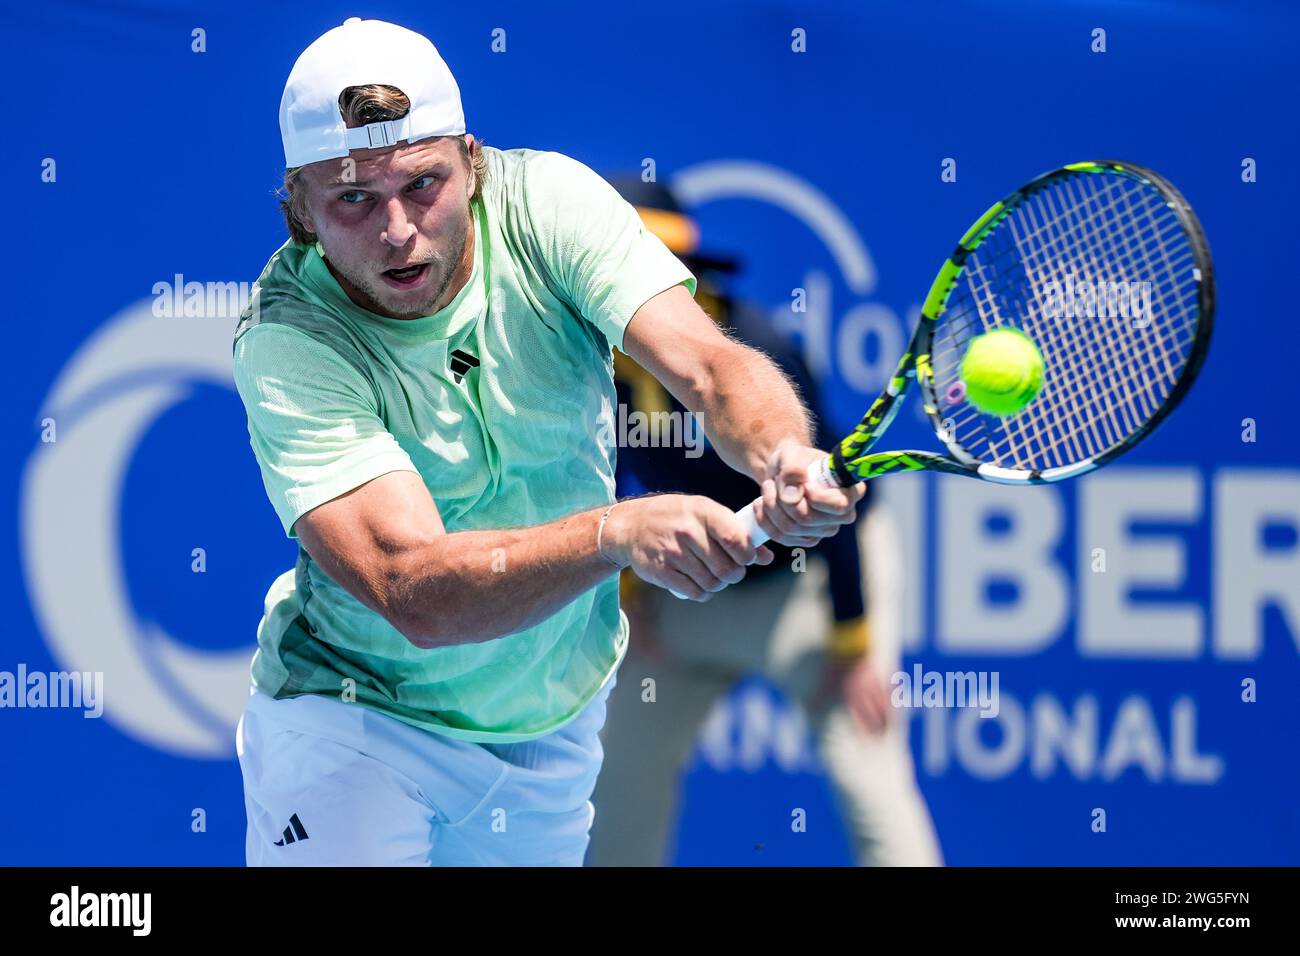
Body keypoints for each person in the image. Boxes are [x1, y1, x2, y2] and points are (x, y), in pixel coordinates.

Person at [232, 17, 862, 866]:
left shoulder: (549, 206)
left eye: (424, 183)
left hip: (550, 728)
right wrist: (615, 534)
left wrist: (781, 452)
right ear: (298, 206)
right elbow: (410, 587)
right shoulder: (291, 337)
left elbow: (710, 366)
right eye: (352, 198)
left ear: (471, 161)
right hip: (354, 718)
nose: (395, 228)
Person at [588, 181, 944, 866]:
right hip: (689, 591)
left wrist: (854, 636)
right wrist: (630, 602)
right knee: (617, 789)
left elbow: (835, 498)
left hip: (811, 588)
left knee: (868, 776)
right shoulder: (585, 352)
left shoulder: (757, 344)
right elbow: (594, 476)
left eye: (661, 273)